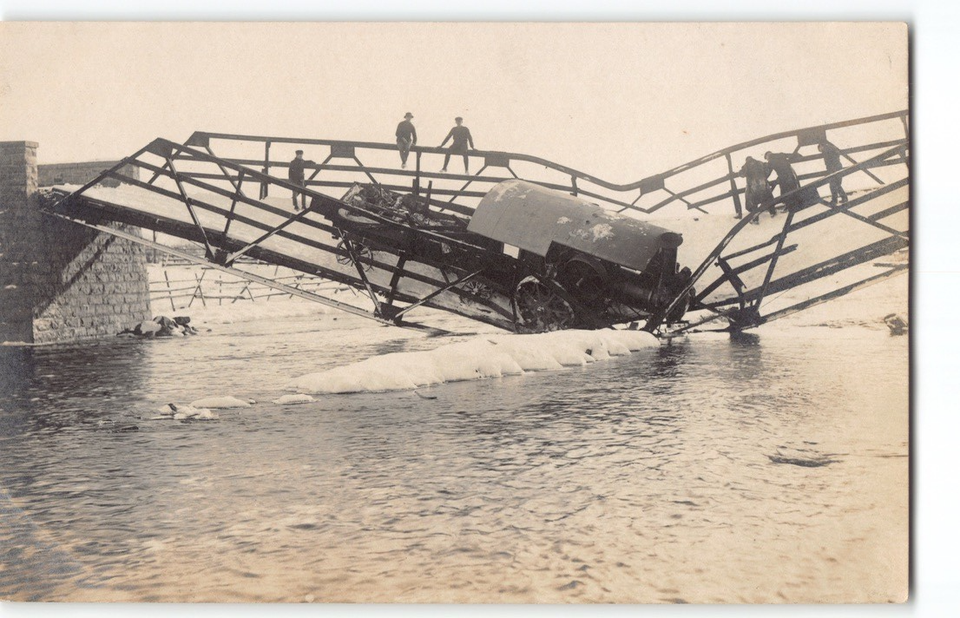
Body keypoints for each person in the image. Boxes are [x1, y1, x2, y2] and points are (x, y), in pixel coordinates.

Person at [738, 156, 775, 222]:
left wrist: (739, 172)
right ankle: (773, 213)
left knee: (753, 202)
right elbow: (767, 172)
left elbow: (742, 174)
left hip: (754, 187)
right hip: (763, 185)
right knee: (768, 198)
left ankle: (755, 219)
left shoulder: (746, 166)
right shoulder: (760, 163)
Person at [818, 141, 848, 205]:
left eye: (820, 149)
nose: (820, 151)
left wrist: (829, 170)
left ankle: (835, 200)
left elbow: (828, 162)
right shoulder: (831, 148)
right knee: (837, 184)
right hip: (838, 166)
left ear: (821, 146)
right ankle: (843, 198)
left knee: (833, 185)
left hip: (833, 169)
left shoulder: (826, 150)